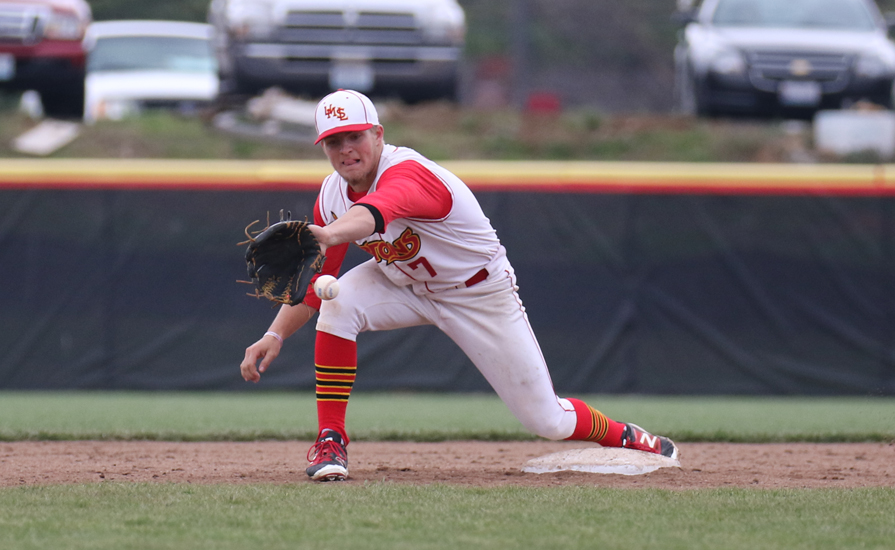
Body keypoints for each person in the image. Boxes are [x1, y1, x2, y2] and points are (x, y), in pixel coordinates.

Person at [239, 89, 678, 481]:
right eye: (334, 142)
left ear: (378, 134)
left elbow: (375, 213)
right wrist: (274, 334)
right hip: (403, 284)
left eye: (354, 136)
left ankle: (622, 434)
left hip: (477, 292)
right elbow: (318, 283)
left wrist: (327, 233)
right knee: (339, 301)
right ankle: (331, 438)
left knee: (548, 421)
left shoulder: (409, 172)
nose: (345, 149)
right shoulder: (331, 195)